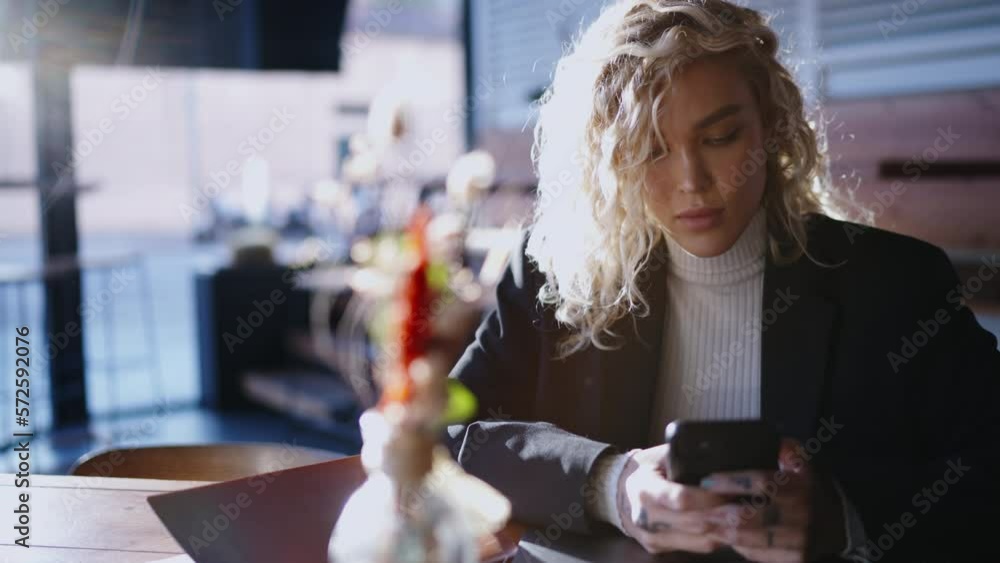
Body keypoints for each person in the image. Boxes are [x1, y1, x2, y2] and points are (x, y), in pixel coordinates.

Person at [444, 1, 1000, 562]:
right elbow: (443, 441)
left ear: (772, 126)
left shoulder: (892, 285)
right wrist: (613, 483)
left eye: (721, 136)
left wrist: (842, 519)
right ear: (608, 159)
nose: (694, 182)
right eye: (651, 149)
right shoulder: (554, 277)